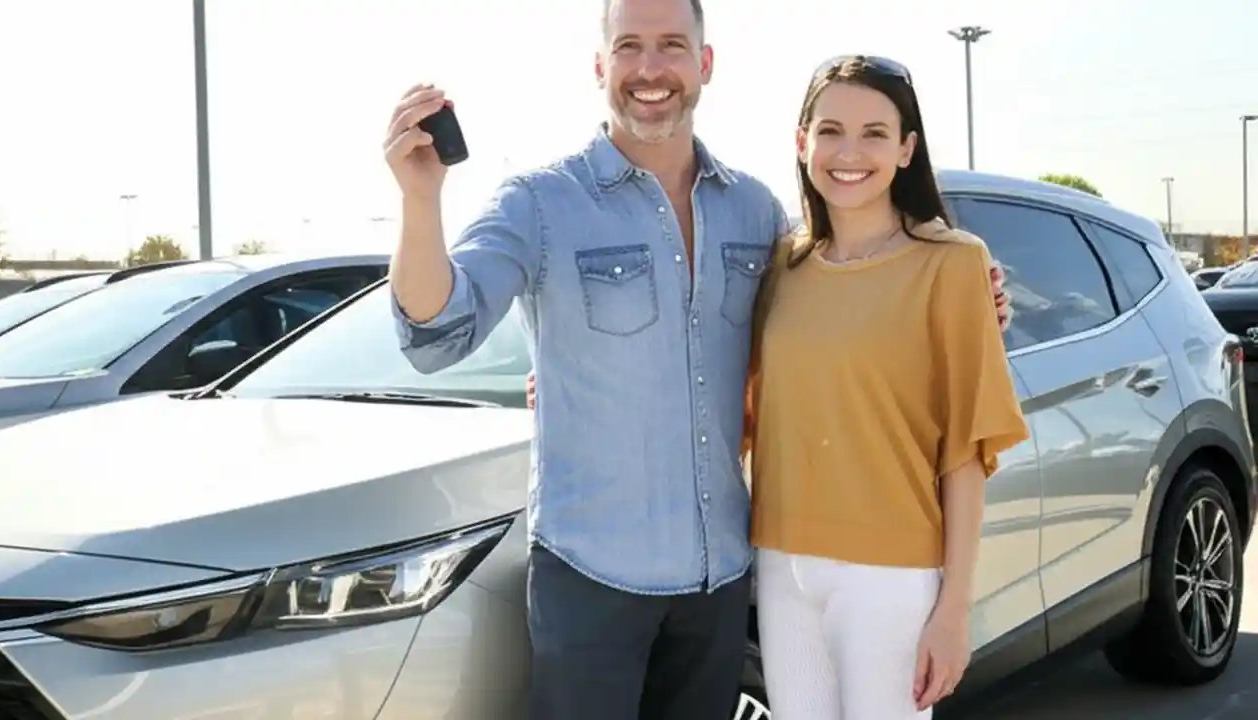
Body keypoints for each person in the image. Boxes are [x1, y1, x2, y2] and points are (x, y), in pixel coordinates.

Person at [383, 0, 1009, 716]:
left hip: (723, 581)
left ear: (705, 64)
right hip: (592, 582)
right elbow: (437, 334)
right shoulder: (540, 202)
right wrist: (420, 201)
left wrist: (972, 297)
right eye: (630, 47)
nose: (651, 69)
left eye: (673, 46)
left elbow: (831, 321)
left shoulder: (756, 212)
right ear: (599, 65)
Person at [744, 56, 1031, 719]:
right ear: (802, 142)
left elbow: (966, 453)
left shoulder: (955, 265)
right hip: (781, 567)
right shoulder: (781, 268)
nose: (850, 152)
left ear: (907, 149)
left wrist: (953, 611)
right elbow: (730, 395)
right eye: (832, 130)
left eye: (876, 133)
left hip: (891, 579)